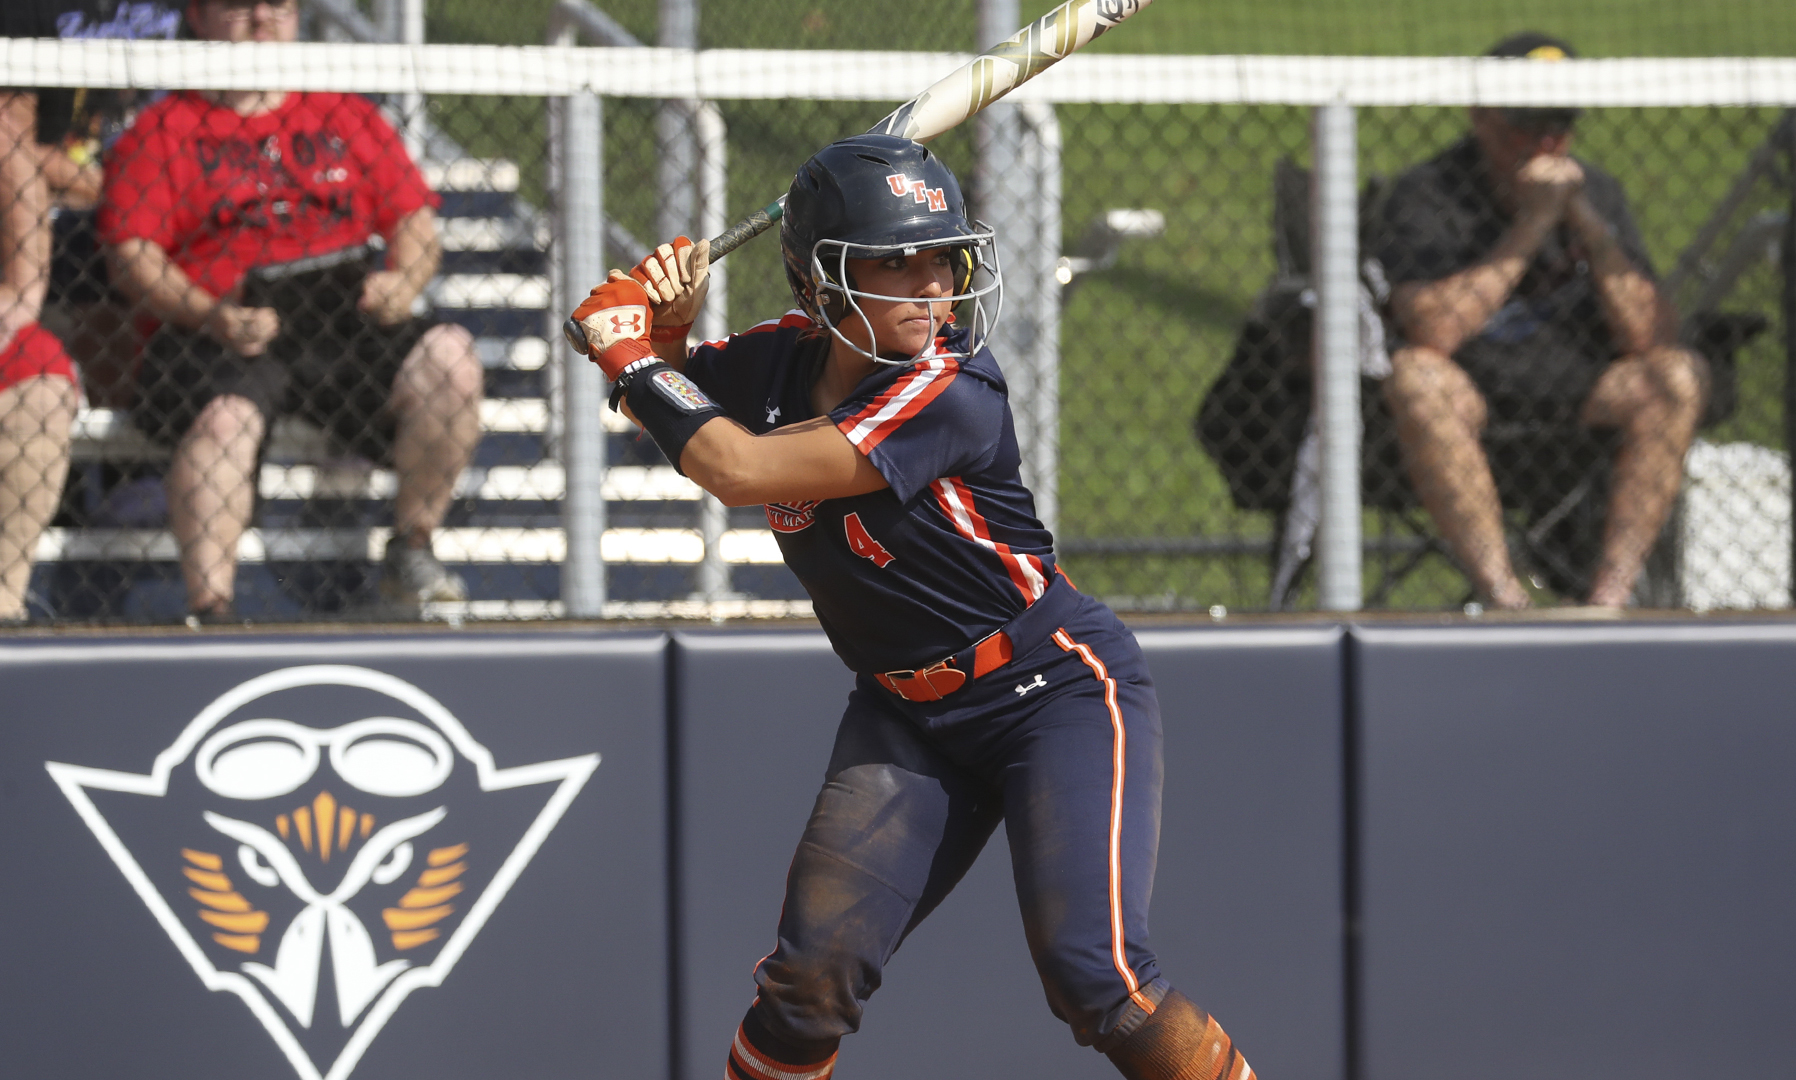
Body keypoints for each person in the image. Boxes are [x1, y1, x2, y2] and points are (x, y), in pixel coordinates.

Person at [569, 134, 1255, 1080]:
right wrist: (662, 339)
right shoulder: (777, 362)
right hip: (907, 710)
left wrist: (631, 356)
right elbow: (689, 410)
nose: (933, 288)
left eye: (943, 260)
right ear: (821, 283)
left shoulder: (949, 388)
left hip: (1050, 686)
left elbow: (734, 467)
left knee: (1097, 977)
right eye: (896, 263)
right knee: (807, 985)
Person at [97, 0, 481, 622]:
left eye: (277, 5)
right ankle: (211, 611)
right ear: (198, 17)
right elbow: (131, 255)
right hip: (223, 328)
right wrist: (210, 312)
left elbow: (415, 222)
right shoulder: (163, 127)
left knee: (452, 358)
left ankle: (412, 548)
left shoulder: (344, 113)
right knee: (224, 423)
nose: (261, 19)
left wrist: (403, 284)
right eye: (239, 6)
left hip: (342, 319)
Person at [1371, 32, 1706, 610]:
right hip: (1471, 399)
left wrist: (1585, 223)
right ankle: (1504, 599)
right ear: (1481, 116)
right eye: (1527, 126)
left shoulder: (1595, 191)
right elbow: (1434, 331)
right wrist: (1531, 225)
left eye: (1560, 123)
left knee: (1676, 375)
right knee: (1415, 375)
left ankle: (1610, 599)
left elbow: (1650, 335)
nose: (1547, 143)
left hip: (1579, 395)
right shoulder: (1427, 195)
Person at [1, 1, 185, 623]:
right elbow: (15, 135)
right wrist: (121, 189)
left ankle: (130, 475)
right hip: (88, 195)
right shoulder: (26, 12)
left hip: (152, 198)